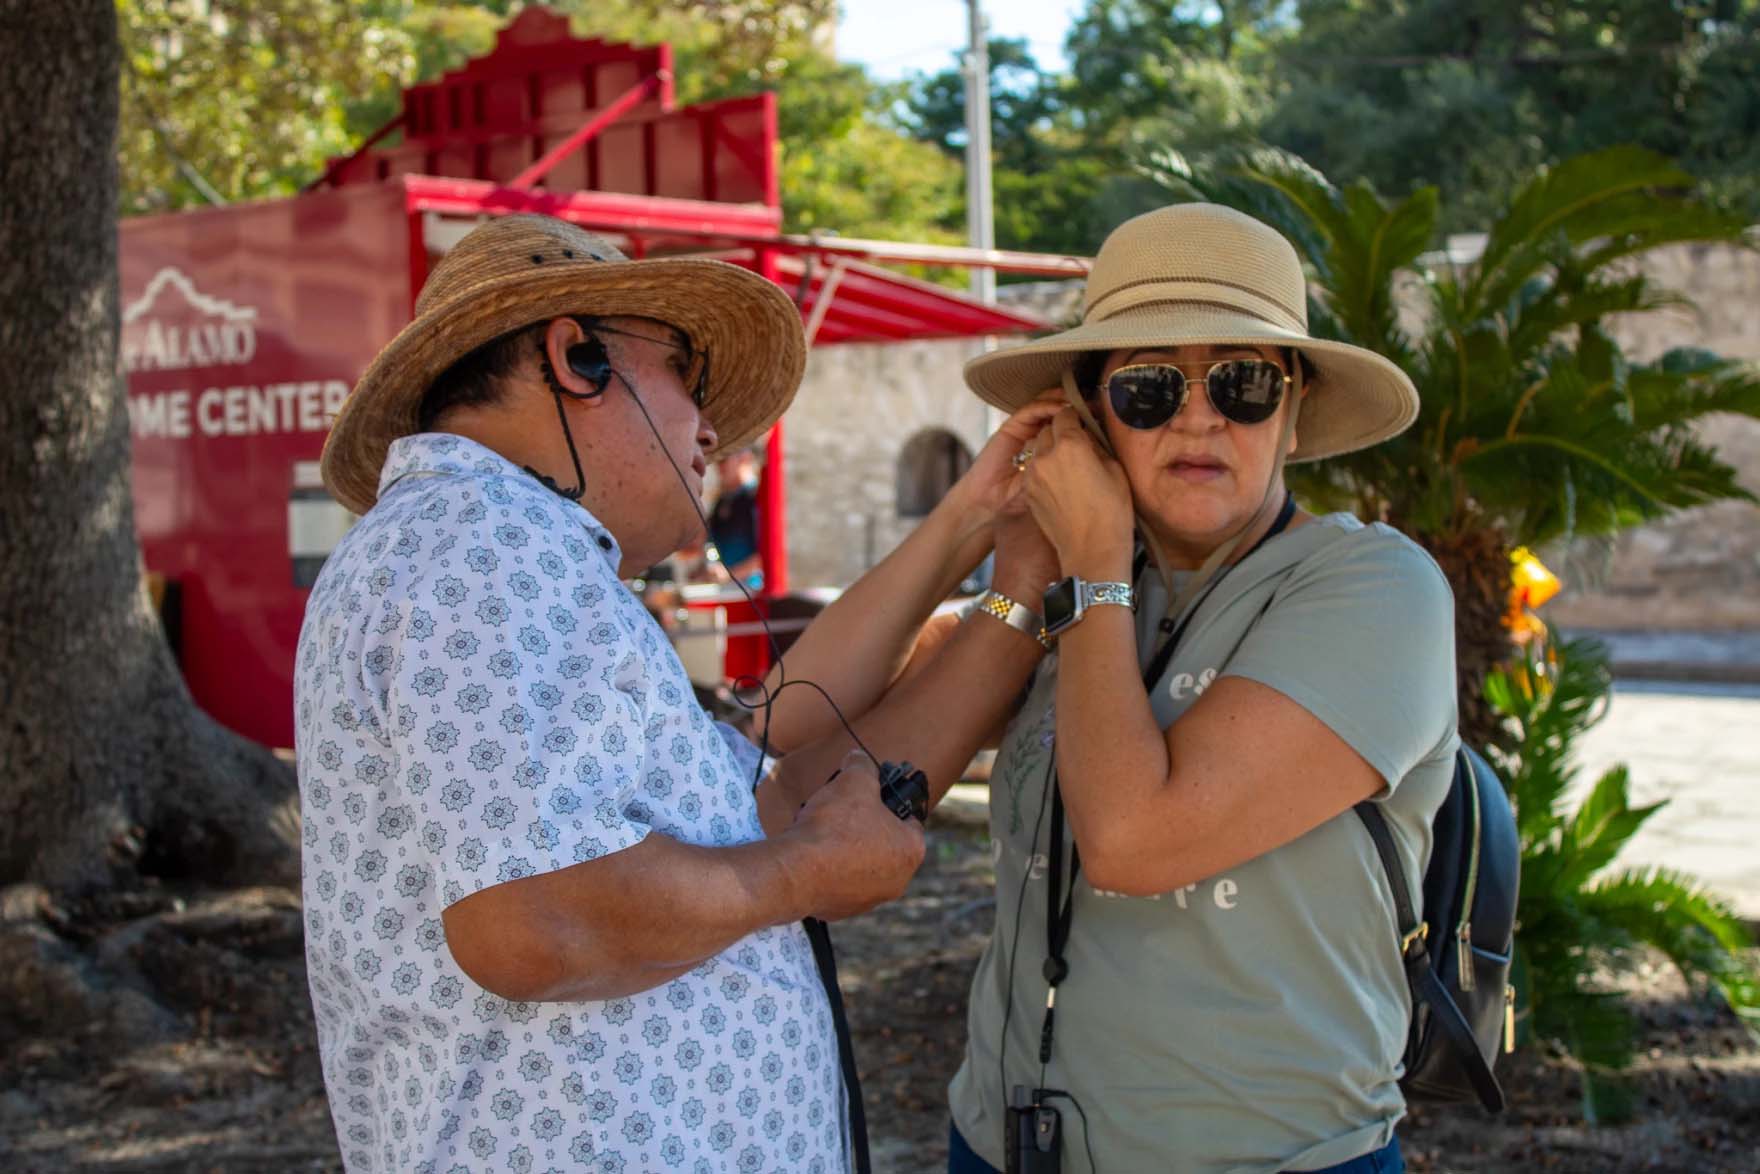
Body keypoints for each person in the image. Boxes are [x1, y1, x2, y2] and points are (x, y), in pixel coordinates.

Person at [296, 213, 1055, 1172]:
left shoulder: (493, 545)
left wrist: (986, 538)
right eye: (686, 380)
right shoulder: (486, 543)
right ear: (577, 357)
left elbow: (778, 781)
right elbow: (535, 919)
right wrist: (806, 875)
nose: (709, 430)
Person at [938, 202, 1459, 1172]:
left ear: (1293, 406)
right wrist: (974, 525)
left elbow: (1135, 841)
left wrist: (1089, 562)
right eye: (1145, 387)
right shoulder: (1057, 585)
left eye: (1241, 380)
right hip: (1000, 1138)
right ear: (1090, 417)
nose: (1197, 414)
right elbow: (819, 732)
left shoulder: (1377, 588)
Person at [708, 447, 764, 587]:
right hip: (727, 589)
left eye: (724, 459)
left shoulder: (758, 499)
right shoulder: (721, 502)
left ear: (745, 457)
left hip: (754, 587)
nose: (719, 466)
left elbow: (768, 553)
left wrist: (729, 574)